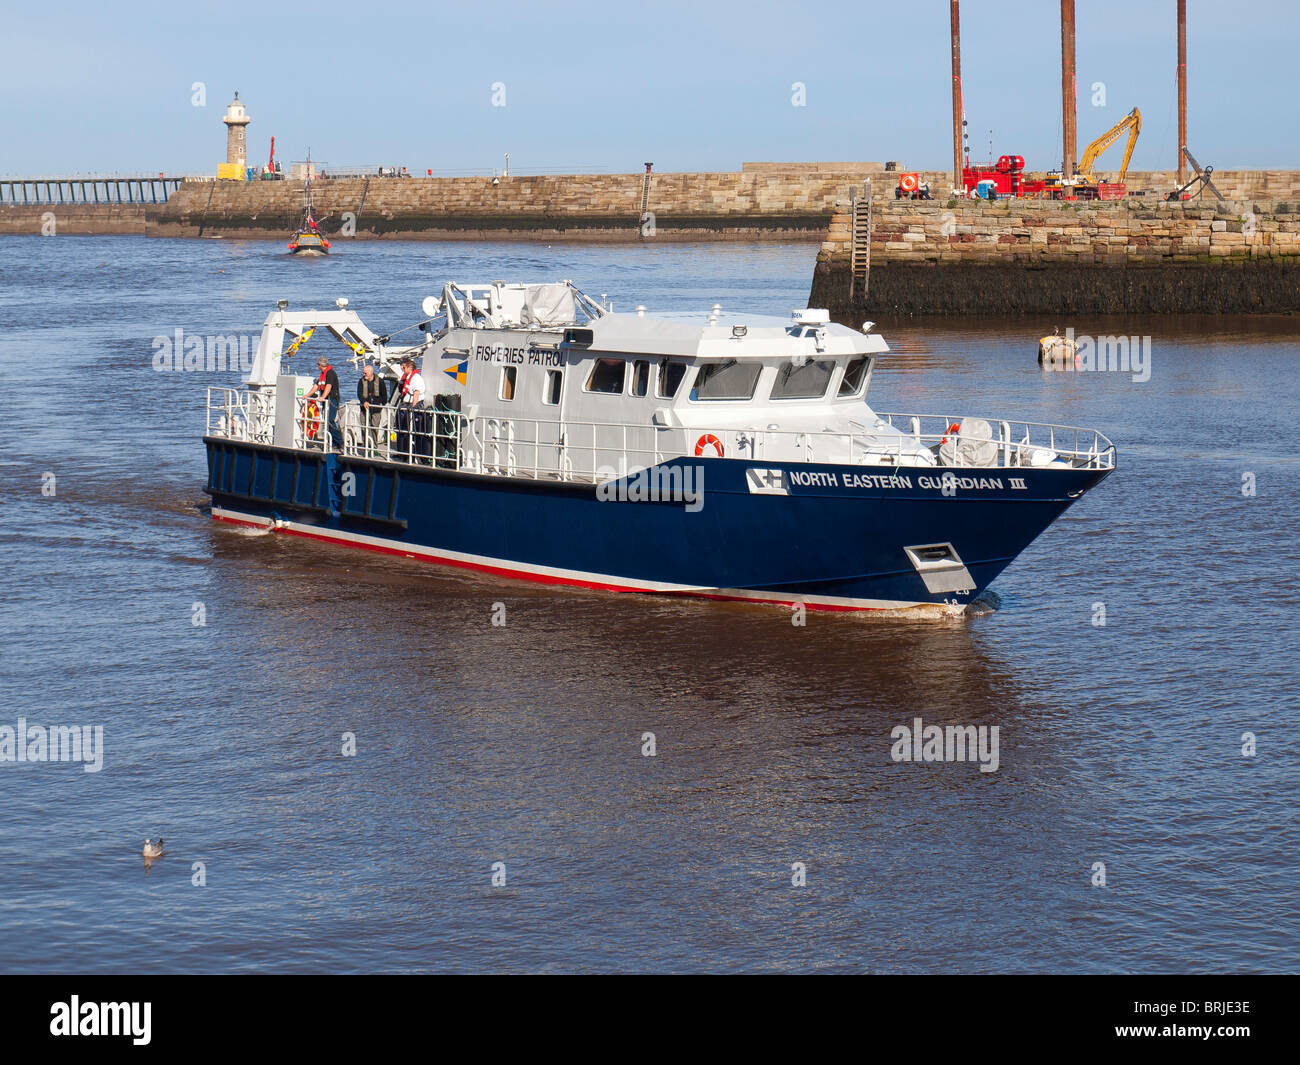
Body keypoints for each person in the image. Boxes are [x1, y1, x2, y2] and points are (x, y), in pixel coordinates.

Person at [392, 356, 427, 462]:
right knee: (401, 429)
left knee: (410, 430)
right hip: (404, 405)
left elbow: (416, 394)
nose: (401, 368)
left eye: (403, 366)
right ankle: (401, 452)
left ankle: (410, 453)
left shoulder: (416, 378)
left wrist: (413, 408)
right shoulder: (406, 378)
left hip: (412, 406)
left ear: (408, 367)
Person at [305, 356, 342, 449]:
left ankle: (340, 441)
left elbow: (328, 386)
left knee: (330, 420)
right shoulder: (322, 375)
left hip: (332, 399)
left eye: (318, 365)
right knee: (327, 421)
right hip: (326, 400)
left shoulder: (330, 373)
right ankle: (334, 442)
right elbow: (316, 386)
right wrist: (307, 395)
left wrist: (322, 397)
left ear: (320, 365)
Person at [356, 362, 386, 456]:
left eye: (365, 373)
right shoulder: (361, 381)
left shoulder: (380, 381)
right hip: (364, 409)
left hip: (376, 409)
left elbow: (384, 395)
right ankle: (366, 447)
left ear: (371, 372)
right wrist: (364, 401)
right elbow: (359, 393)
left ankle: (374, 448)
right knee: (364, 427)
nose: (364, 375)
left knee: (374, 427)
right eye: (363, 373)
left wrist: (379, 403)